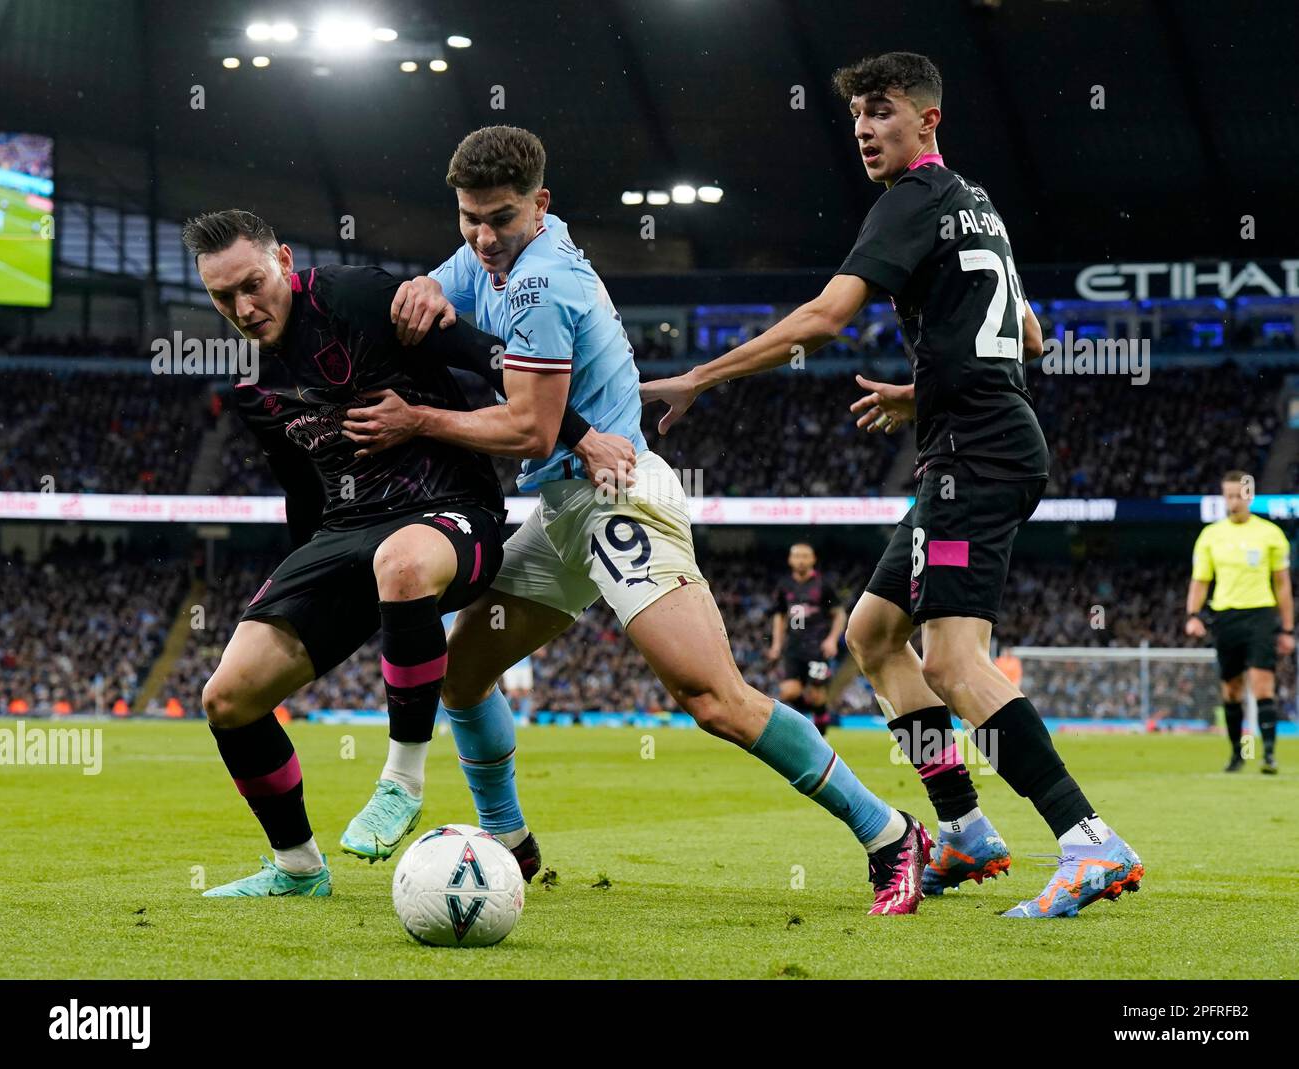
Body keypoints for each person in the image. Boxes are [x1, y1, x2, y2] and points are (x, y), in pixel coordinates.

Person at [360, 124, 931, 915]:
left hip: (619, 497)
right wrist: (421, 284)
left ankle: (891, 833)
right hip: (565, 505)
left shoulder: (542, 281)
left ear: (541, 206)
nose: (484, 237)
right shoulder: (498, 252)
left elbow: (529, 428)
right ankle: (511, 847)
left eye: (500, 217)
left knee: (714, 698)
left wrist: (415, 419)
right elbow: (447, 287)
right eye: (469, 217)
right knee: (461, 676)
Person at [640, 52, 1144, 918]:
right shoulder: (977, 204)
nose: (866, 130)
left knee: (952, 659)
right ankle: (965, 827)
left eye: (881, 112)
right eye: (857, 118)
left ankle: (1088, 839)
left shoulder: (910, 200)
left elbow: (827, 318)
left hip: (974, 458)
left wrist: (700, 378)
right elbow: (1027, 336)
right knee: (873, 634)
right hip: (974, 443)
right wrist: (925, 390)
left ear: (927, 119)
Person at [183, 209, 631, 896]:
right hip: (342, 533)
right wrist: (312, 599)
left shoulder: (354, 296)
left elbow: (493, 358)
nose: (243, 307)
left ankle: (402, 779)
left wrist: (580, 434)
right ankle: (298, 867)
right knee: (227, 697)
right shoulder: (248, 382)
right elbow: (302, 491)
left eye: (252, 284)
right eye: (222, 296)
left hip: (453, 511)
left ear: (282, 257)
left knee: (402, 561)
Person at [1186, 471, 1294, 773]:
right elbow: (1200, 581)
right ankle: (1237, 755)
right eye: (1228, 495)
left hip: (1260, 614)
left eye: (1237, 495)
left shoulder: (1270, 534)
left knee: (1263, 686)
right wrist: (1193, 615)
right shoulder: (1211, 535)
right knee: (1231, 690)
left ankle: (1269, 755)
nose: (1232, 501)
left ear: (1249, 495)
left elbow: (1283, 585)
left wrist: (1286, 628)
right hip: (1226, 617)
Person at [767, 543, 846, 735]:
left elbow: (840, 614)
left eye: (805, 556)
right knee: (789, 692)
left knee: (817, 695)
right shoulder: (785, 585)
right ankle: (817, 716)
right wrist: (777, 644)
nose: (801, 560)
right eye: (797, 556)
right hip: (793, 647)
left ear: (813, 559)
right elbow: (779, 615)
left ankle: (821, 736)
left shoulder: (823, 585)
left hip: (818, 647)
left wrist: (832, 639)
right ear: (790, 560)